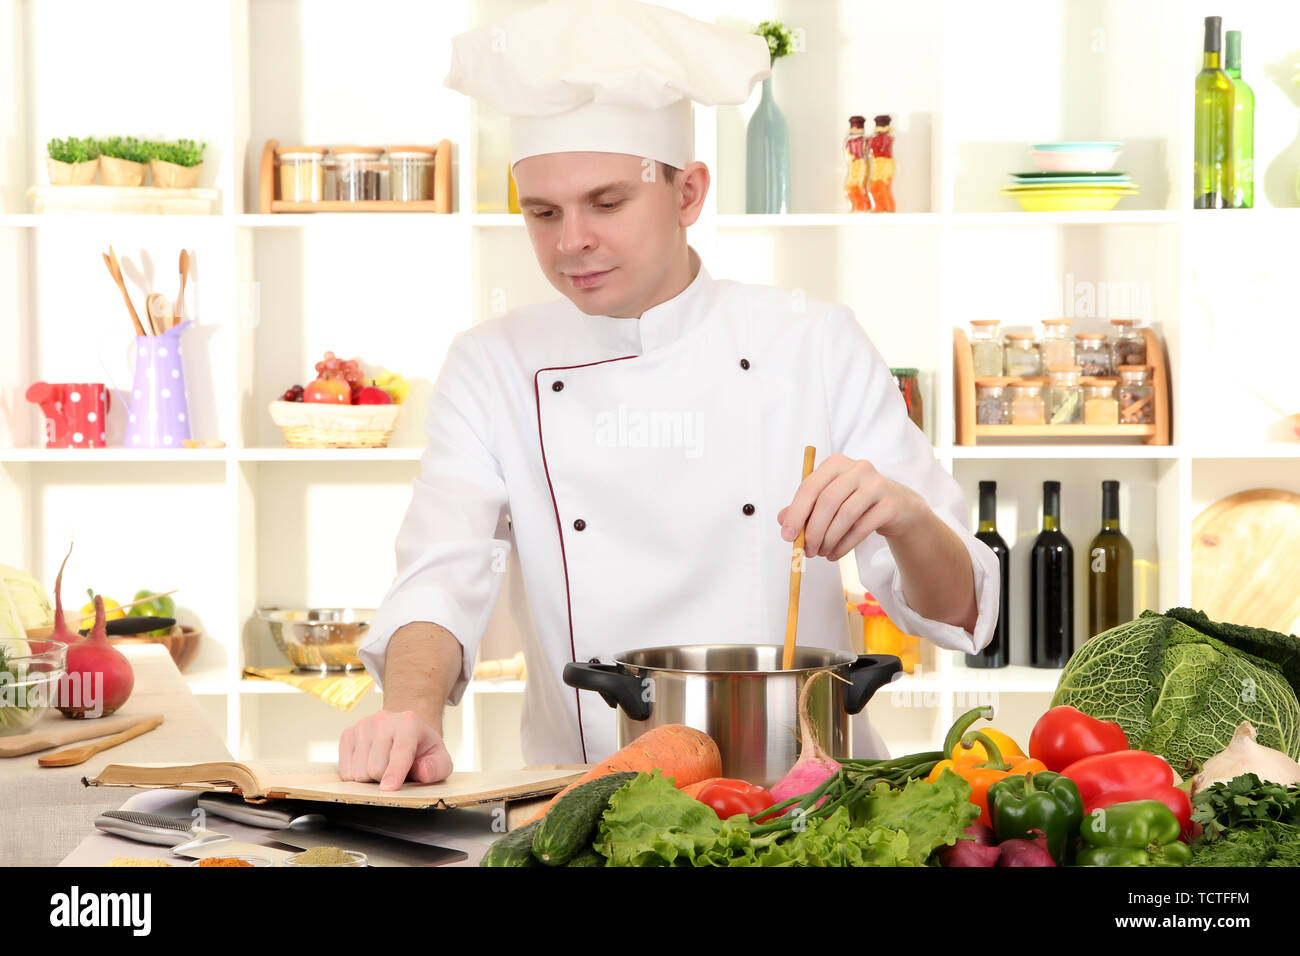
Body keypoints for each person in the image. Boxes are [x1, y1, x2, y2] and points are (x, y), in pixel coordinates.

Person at [338, 0, 999, 791]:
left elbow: (959, 612)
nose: (570, 241)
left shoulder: (813, 343)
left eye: (606, 203)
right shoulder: (491, 364)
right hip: (587, 805)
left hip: (810, 799)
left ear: (688, 193)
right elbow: (439, 573)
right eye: (542, 213)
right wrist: (411, 710)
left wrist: (905, 513)